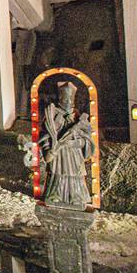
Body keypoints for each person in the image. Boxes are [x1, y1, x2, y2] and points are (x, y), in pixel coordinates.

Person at [39, 80, 95, 208]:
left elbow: (87, 138)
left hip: (74, 152)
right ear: (60, 99)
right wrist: (49, 149)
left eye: (71, 100)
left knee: (75, 174)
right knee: (58, 173)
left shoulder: (78, 117)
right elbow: (46, 134)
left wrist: (76, 142)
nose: (68, 102)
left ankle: (76, 196)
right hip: (59, 153)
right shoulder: (53, 115)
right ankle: (55, 195)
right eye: (65, 100)